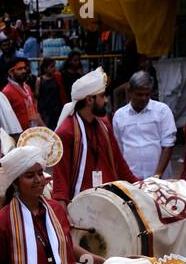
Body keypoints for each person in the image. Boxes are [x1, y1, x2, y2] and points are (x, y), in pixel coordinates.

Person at [51, 69, 136, 204]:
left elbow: (119, 163)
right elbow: (60, 182)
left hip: (111, 200)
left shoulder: (104, 124)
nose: (106, 100)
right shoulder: (66, 132)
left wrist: (139, 187)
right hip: (81, 205)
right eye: (102, 96)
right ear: (90, 99)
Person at [112, 71, 176, 180]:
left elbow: (168, 145)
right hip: (131, 179)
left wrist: (157, 175)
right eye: (139, 94)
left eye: (147, 94)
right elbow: (118, 150)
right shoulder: (119, 116)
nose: (143, 98)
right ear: (130, 92)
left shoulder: (162, 111)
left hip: (159, 180)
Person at [2, 57, 41, 130]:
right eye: (19, 69)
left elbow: (35, 111)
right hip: (19, 135)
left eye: (24, 68)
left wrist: (45, 129)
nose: (24, 71)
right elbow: (6, 120)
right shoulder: (6, 92)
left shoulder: (27, 88)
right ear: (11, 72)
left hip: (33, 132)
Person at [36, 57, 66, 133]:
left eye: (54, 66)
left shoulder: (57, 77)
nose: (54, 69)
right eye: (51, 67)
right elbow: (36, 97)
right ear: (45, 68)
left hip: (56, 110)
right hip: (45, 112)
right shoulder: (39, 80)